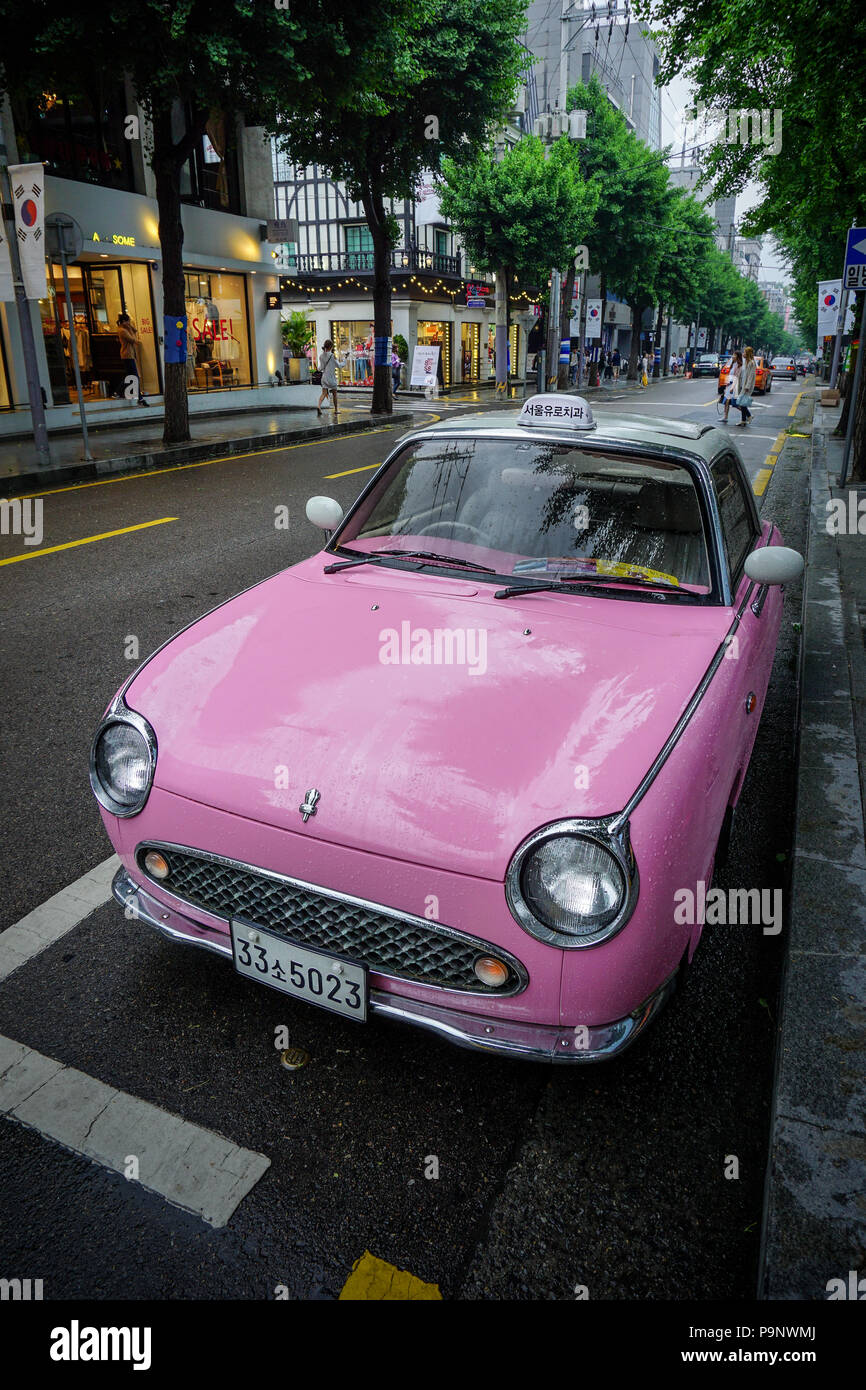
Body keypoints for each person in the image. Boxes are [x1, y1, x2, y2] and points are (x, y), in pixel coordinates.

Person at [116, 313, 148, 405]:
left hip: (130, 355)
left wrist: (131, 327)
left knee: (131, 376)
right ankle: (139, 398)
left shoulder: (125, 329)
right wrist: (130, 328)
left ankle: (119, 392)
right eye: (128, 321)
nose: (129, 322)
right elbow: (133, 339)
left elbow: (135, 332)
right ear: (124, 322)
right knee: (134, 377)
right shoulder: (122, 330)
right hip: (127, 355)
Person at [317, 339, 344, 417]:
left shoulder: (321, 356)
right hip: (331, 378)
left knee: (323, 393)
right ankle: (336, 410)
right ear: (331, 347)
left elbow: (320, 368)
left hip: (324, 378)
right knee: (335, 394)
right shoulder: (332, 356)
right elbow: (339, 366)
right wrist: (344, 361)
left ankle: (319, 406)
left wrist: (317, 369)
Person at [734, 345, 757, 427]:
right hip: (743, 384)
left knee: (741, 402)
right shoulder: (745, 362)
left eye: (744, 352)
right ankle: (744, 420)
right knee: (742, 403)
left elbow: (751, 376)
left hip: (747, 386)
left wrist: (747, 386)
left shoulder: (752, 363)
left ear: (748, 353)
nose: (743, 353)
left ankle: (749, 416)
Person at [723, 351, 742, 425]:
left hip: (734, 385)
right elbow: (730, 375)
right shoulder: (733, 364)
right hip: (729, 385)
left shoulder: (739, 365)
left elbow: (736, 377)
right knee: (726, 401)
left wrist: (732, 387)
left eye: (734, 355)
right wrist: (726, 384)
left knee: (735, 403)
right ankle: (725, 417)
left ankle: (747, 414)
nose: (733, 356)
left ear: (737, 356)